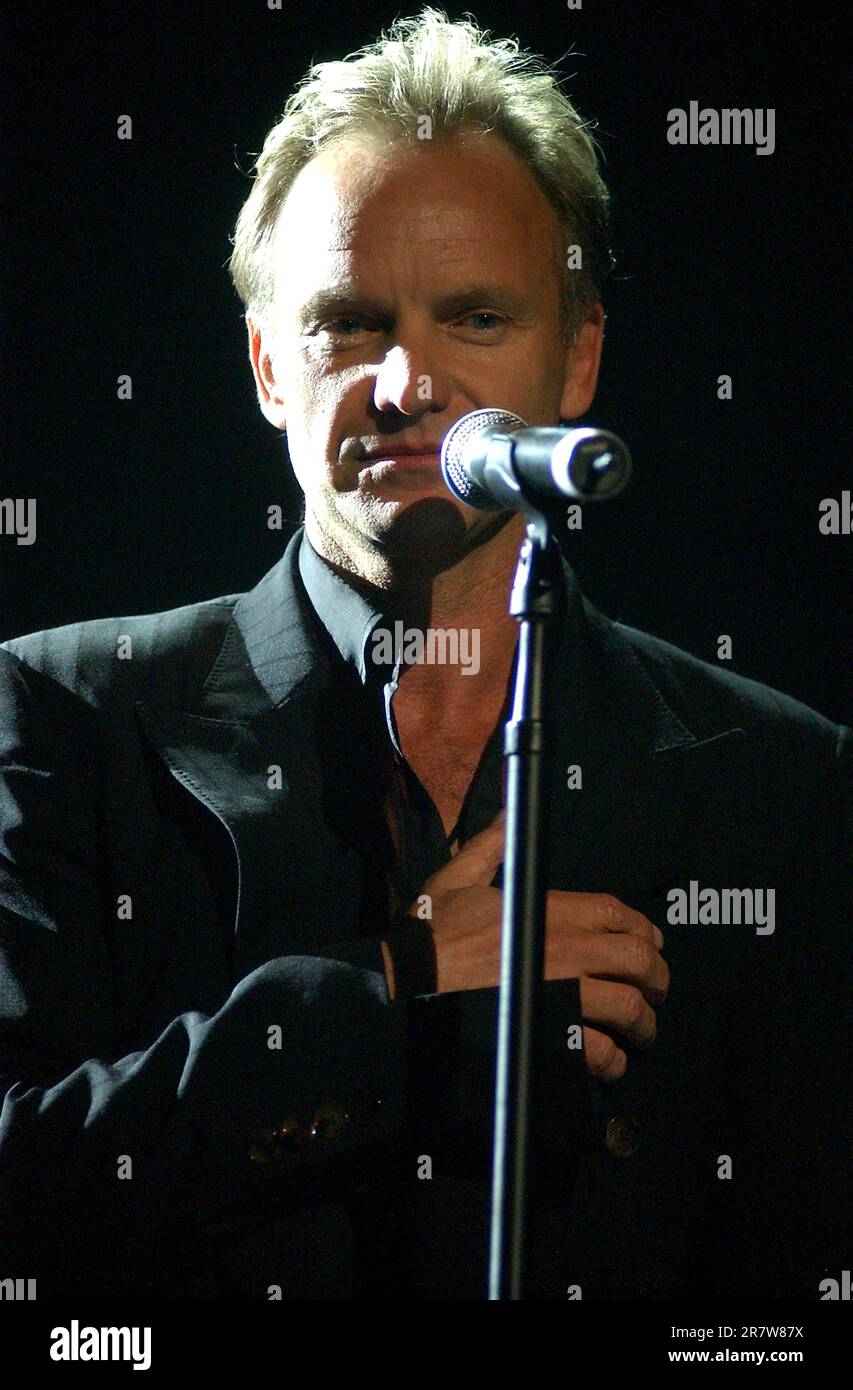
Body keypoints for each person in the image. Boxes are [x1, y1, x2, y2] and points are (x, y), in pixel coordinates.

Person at [0, 9, 847, 1300]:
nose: (408, 380)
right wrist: (388, 986)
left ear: (577, 362)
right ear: (268, 366)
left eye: (476, 318)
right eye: (347, 323)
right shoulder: (65, 712)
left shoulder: (778, 782)